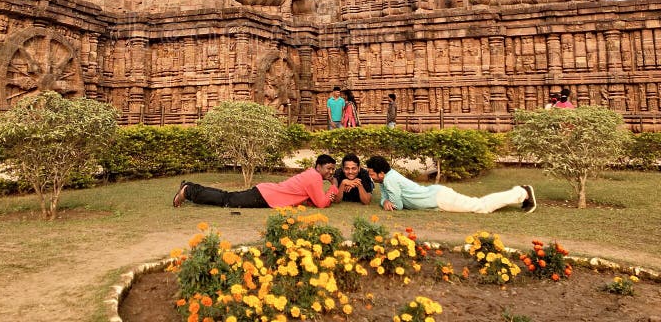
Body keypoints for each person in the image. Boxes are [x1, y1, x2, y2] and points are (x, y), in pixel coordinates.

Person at [365, 156, 536, 214]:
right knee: (478, 204)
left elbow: (397, 205)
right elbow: (386, 198)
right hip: (436, 195)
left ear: (381, 173)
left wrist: (387, 203)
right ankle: (520, 192)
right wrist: (384, 201)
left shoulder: (390, 180)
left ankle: (523, 193)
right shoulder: (387, 179)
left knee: (481, 206)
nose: (371, 177)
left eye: (372, 173)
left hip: (439, 198)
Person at [172, 154, 340, 209]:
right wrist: (334, 186)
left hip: (267, 193)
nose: (331, 172)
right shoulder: (314, 178)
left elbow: (311, 199)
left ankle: (190, 187)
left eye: (333, 169)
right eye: (328, 168)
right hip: (266, 196)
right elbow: (321, 203)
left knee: (227, 197)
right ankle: (189, 191)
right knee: (227, 200)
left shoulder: (312, 174)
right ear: (318, 167)